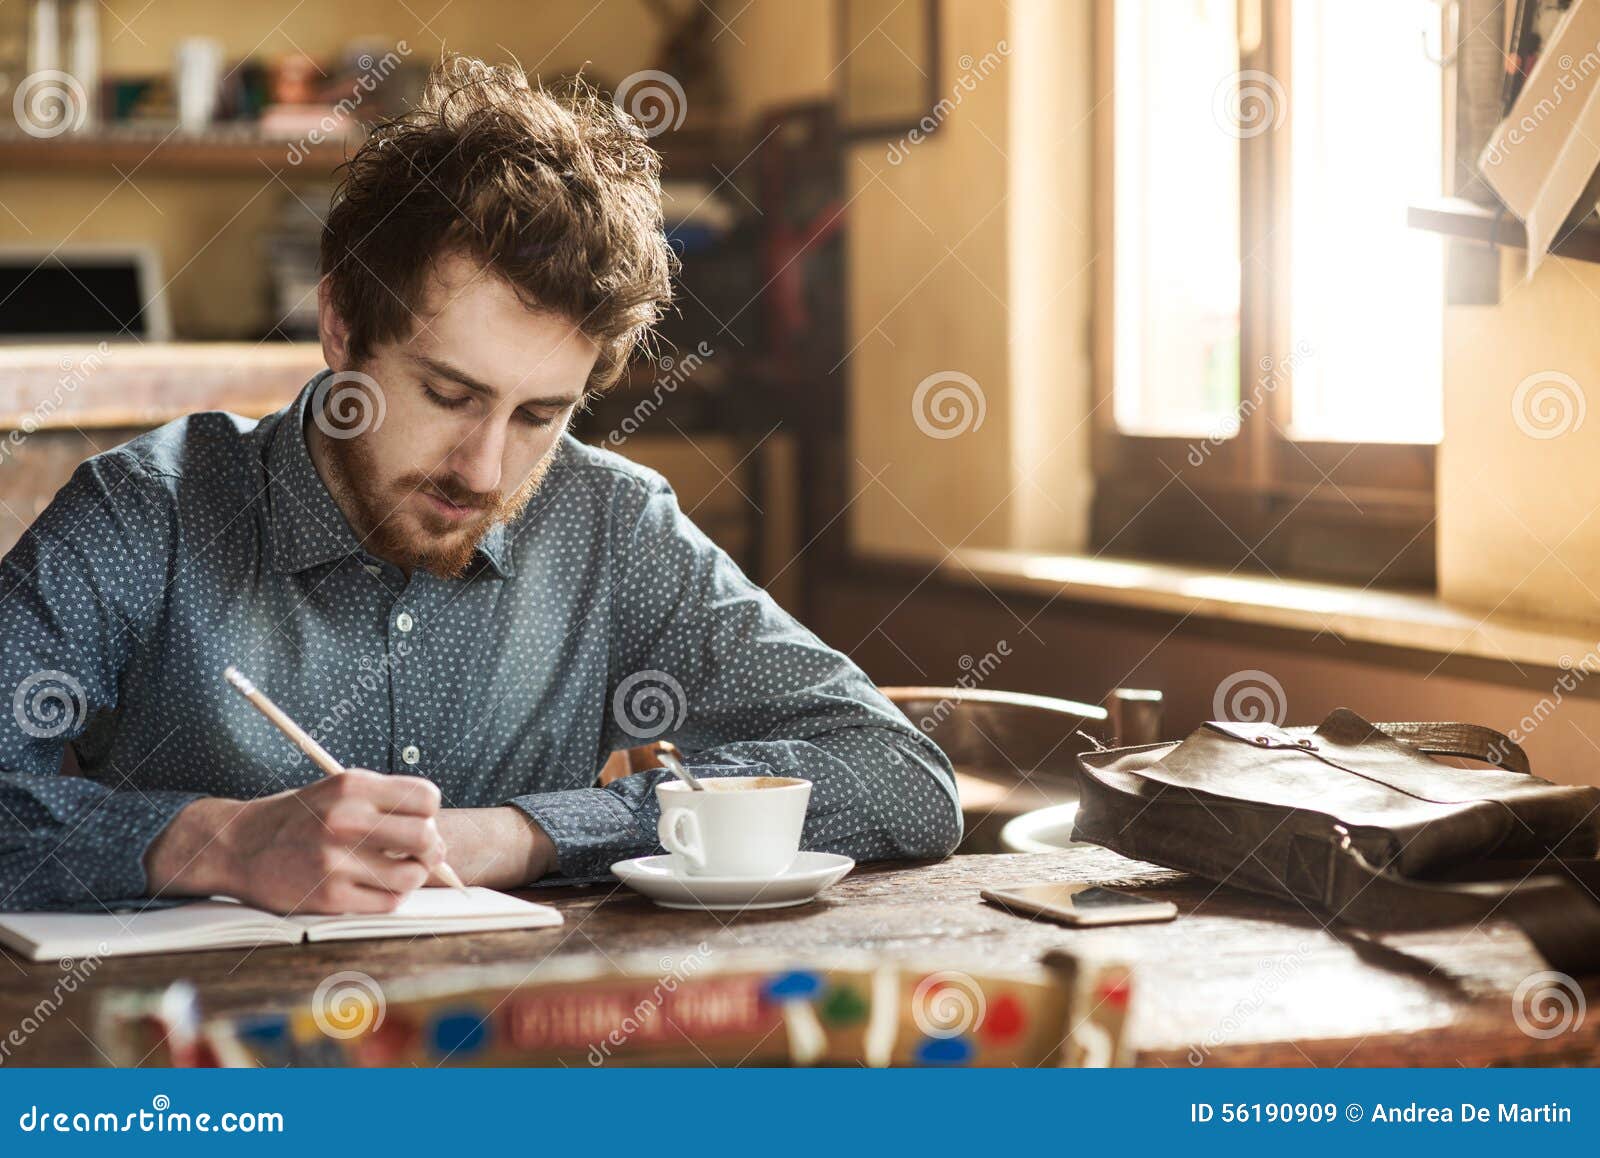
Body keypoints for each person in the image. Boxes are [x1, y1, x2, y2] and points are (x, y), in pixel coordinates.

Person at [0, 56, 960, 915]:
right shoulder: (149, 513)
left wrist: (522, 833)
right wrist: (223, 843)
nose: (486, 469)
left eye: (542, 414)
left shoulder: (611, 527)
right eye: (448, 394)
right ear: (340, 324)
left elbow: (899, 776)